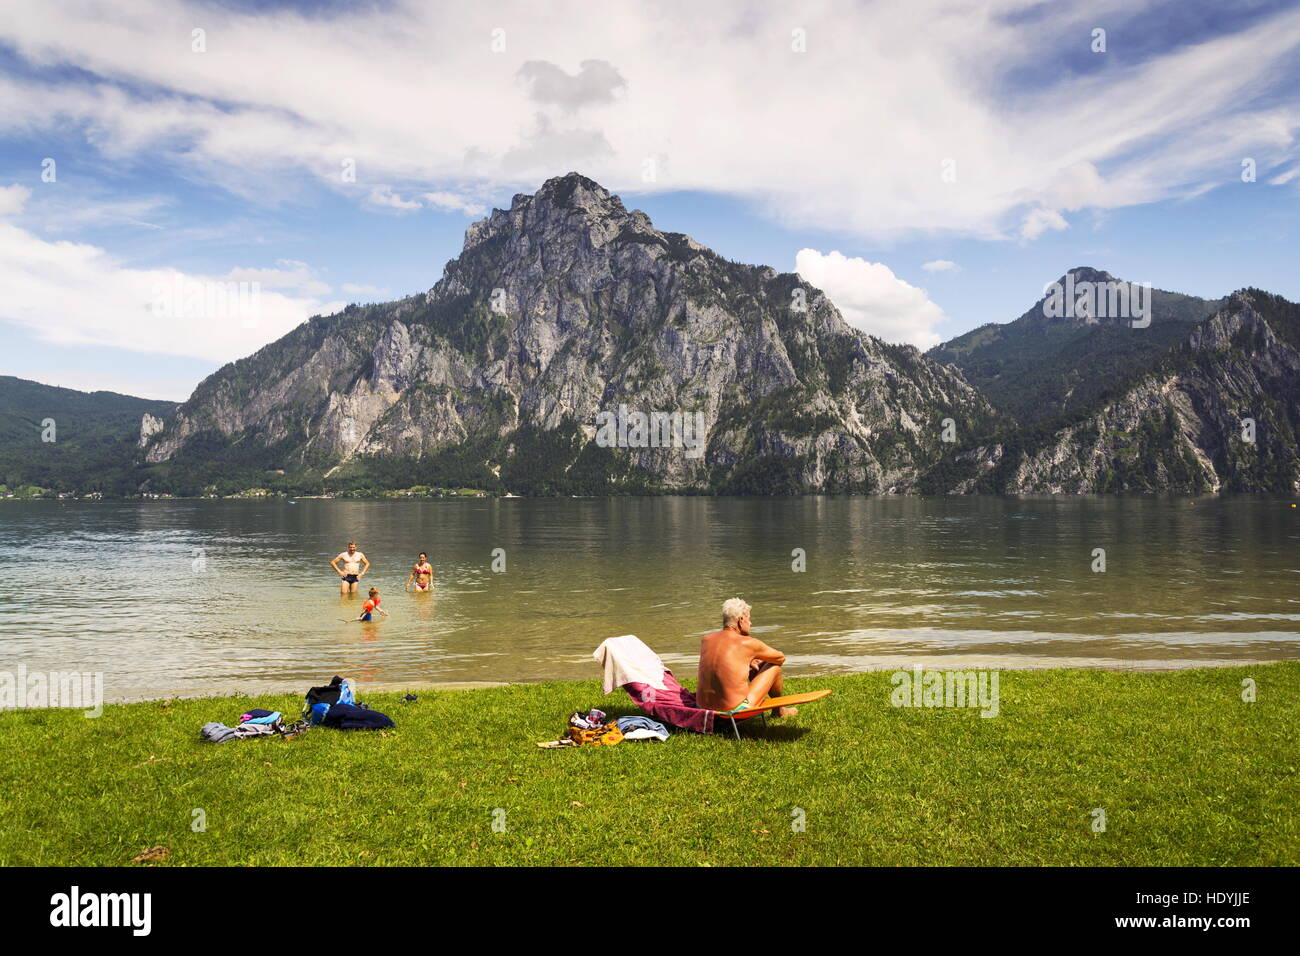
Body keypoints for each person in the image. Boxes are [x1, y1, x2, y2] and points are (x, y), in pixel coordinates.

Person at [696, 598, 798, 717]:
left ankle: (778, 710)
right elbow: (780, 658)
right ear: (741, 620)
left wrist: (750, 659)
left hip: (703, 708)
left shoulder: (707, 639)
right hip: (733, 711)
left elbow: (722, 662)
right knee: (774, 667)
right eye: (749, 619)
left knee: (760, 664)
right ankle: (779, 711)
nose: (750, 623)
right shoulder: (747, 643)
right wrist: (758, 658)